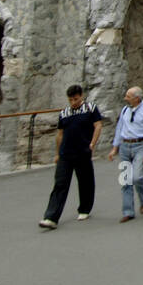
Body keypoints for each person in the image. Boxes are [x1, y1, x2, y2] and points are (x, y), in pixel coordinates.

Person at [39, 85, 103, 229]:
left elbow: (98, 125)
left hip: (82, 151)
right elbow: (60, 134)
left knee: (85, 181)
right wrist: (57, 153)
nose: (73, 102)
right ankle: (51, 217)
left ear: (81, 96)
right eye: (70, 100)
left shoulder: (90, 108)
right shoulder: (64, 113)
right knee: (60, 183)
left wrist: (92, 143)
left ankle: (85, 209)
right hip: (65, 153)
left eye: (75, 99)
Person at [107, 86, 143, 221]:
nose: (125, 98)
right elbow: (120, 128)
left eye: (128, 96)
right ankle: (128, 211)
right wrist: (115, 147)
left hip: (140, 145)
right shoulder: (125, 109)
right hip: (125, 146)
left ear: (137, 98)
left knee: (137, 177)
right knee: (125, 180)